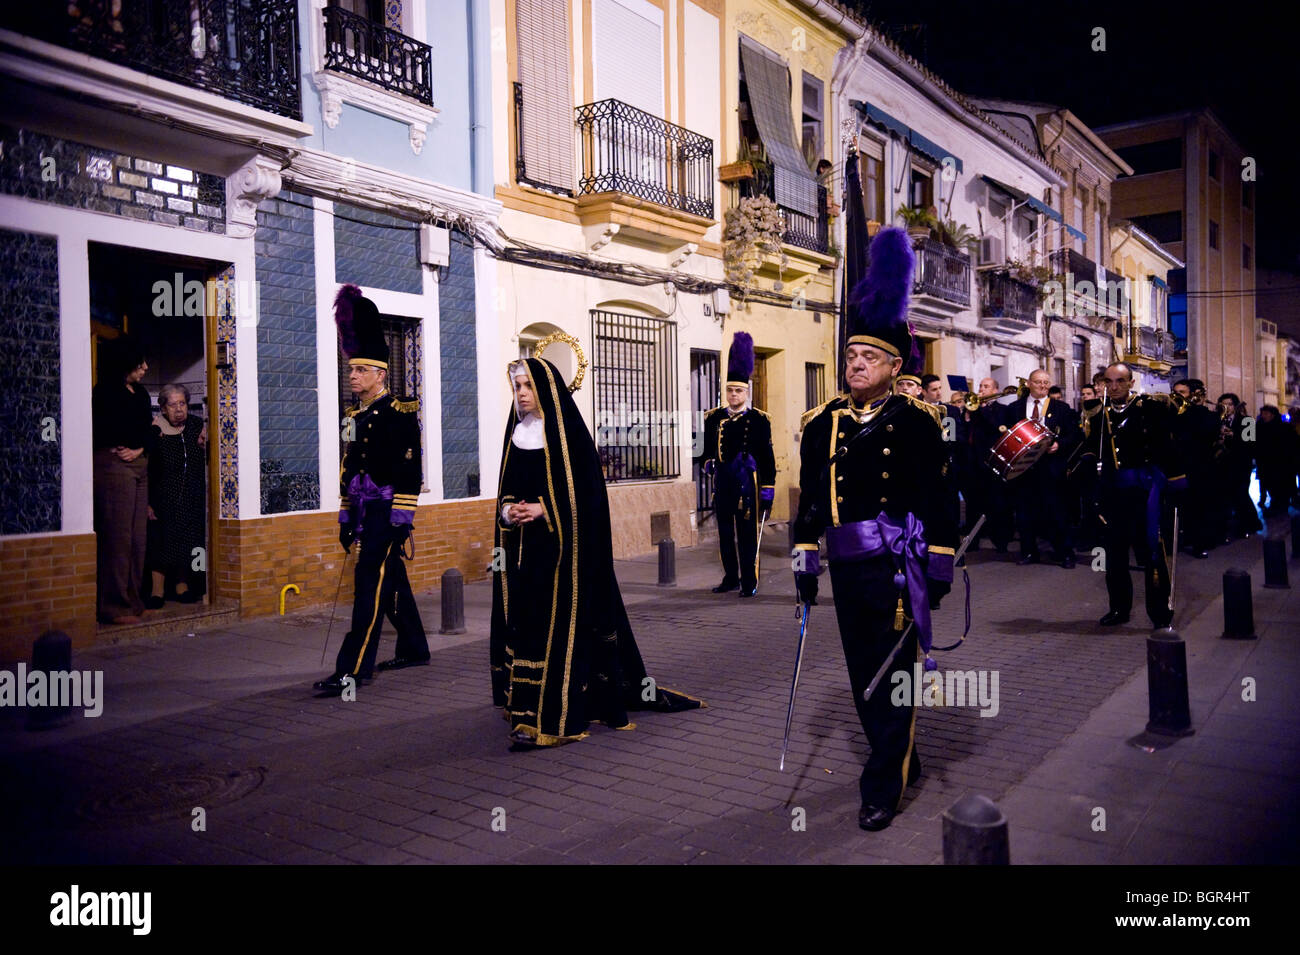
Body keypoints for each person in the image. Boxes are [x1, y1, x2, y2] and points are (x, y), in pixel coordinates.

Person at [792, 227, 957, 832]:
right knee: (864, 673)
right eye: (851, 357)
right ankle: (897, 754)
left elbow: (940, 498)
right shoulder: (821, 424)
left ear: (894, 365)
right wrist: (804, 560)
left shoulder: (917, 422)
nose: (856, 365)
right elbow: (811, 500)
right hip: (847, 566)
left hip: (895, 567)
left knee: (897, 672)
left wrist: (937, 564)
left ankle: (882, 782)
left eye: (869, 358)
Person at [490, 353, 702, 747]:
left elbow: (589, 500)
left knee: (558, 633)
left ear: (546, 390)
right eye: (517, 387)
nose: (520, 394)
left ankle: (558, 720)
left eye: (528, 387)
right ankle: (525, 712)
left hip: (563, 557)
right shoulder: (516, 435)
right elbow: (505, 488)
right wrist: (507, 511)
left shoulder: (569, 438)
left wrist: (543, 509)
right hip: (522, 554)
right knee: (527, 629)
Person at [314, 286, 430, 696]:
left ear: (380, 374)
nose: (353, 376)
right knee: (390, 578)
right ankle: (415, 646)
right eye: (351, 370)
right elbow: (349, 466)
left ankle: (353, 669)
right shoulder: (352, 415)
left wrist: (402, 519)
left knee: (368, 587)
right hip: (364, 514)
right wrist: (346, 517)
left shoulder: (399, 414)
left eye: (360, 370)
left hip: (385, 514)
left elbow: (409, 470)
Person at [1082, 363, 1183, 628]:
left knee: (1151, 553)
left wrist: (1175, 482)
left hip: (1144, 492)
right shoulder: (1097, 416)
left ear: (1130, 382)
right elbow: (1092, 450)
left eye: (1119, 381)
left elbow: (1168, 446)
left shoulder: (1151, 408)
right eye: (1108, 381)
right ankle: (1119, 609)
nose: (1113, 387)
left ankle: (1160, 613)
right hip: (1113, 494)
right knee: (1114, 555)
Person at [696, 331, 776, 597]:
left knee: (746, 536)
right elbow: (703, 449)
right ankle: (730, 577)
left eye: (738, 390)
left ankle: (749, 581)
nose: (733, 394)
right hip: (723, 483)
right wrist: (708, 463)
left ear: (747, 391)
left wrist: (768, 487)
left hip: (747, 485)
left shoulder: (759, 419)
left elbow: (767, 455)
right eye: (729, 390)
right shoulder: (713, 417)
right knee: (725, 534)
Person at [92, 335, 155, 625]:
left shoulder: (140, 395)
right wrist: (130, 443)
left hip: (139, 464)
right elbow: (108, 429)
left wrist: (140, 446)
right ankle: (114, 606)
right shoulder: (104, 392)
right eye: (139, 362)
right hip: (115, 466)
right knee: (118, 538)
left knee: (138, 539)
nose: (144, 367)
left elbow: (149, 431)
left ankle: (134, 600)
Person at [1007, 370, 1079, 568]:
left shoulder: (1061, 408)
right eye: (1038, 382)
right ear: (1029, 383)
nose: (1042, 386)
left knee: (1056, 512)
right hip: (1024, 469)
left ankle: (1065, 553)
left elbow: (1074, 434)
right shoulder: (1014, 408)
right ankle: (1029, 552)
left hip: (1050, 467)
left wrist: (1060, 444)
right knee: (1024, 513)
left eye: (1046, 383)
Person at [146, 384, 208, 607]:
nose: (179, 409)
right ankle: (157, 591)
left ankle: (184, 586)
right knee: (160, 543)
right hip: (163, 498)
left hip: (192, 497)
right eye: (173, 405)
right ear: (163, 408)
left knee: (189, 543)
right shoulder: (155, 429)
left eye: (182, 403)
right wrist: (148, 502)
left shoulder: (195, 425)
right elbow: (147, 468)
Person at [1170, 379, 1219, 557]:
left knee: (1199, 507)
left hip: (1200, 468)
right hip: (1177, 467)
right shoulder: (1172, 414)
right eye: (1175, 392)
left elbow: (1205, 435)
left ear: (1193, 394)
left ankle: (1200, 543)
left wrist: (1191, 410)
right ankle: (1182, 538)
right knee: (1180, 506)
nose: (1176, 396)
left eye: (1181, 392)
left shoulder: (1204, 415)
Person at [1216, 393, 1263, 538]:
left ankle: (1250, 524)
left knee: (1241, 494)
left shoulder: (1247, 421)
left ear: (1235, 406)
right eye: (1223, 404)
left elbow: (1251, 444)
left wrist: (1234, 435)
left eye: (1229, 404)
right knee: (1227, 496)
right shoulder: (1217, 420)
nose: (1227, 407)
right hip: (1223, 465)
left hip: (1241, 465)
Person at [1256, 405, 1297, 515]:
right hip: (1266, 462)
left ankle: (1281, 506)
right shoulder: (1260, 427)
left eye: (1266, 413)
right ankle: (1277, 504)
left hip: (1281, 463)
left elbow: (1291, 445)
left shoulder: (1283, 427)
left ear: (1272, 414)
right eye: (1262, 413)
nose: (1263, 416)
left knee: (1280, 486)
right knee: (1270, 486)